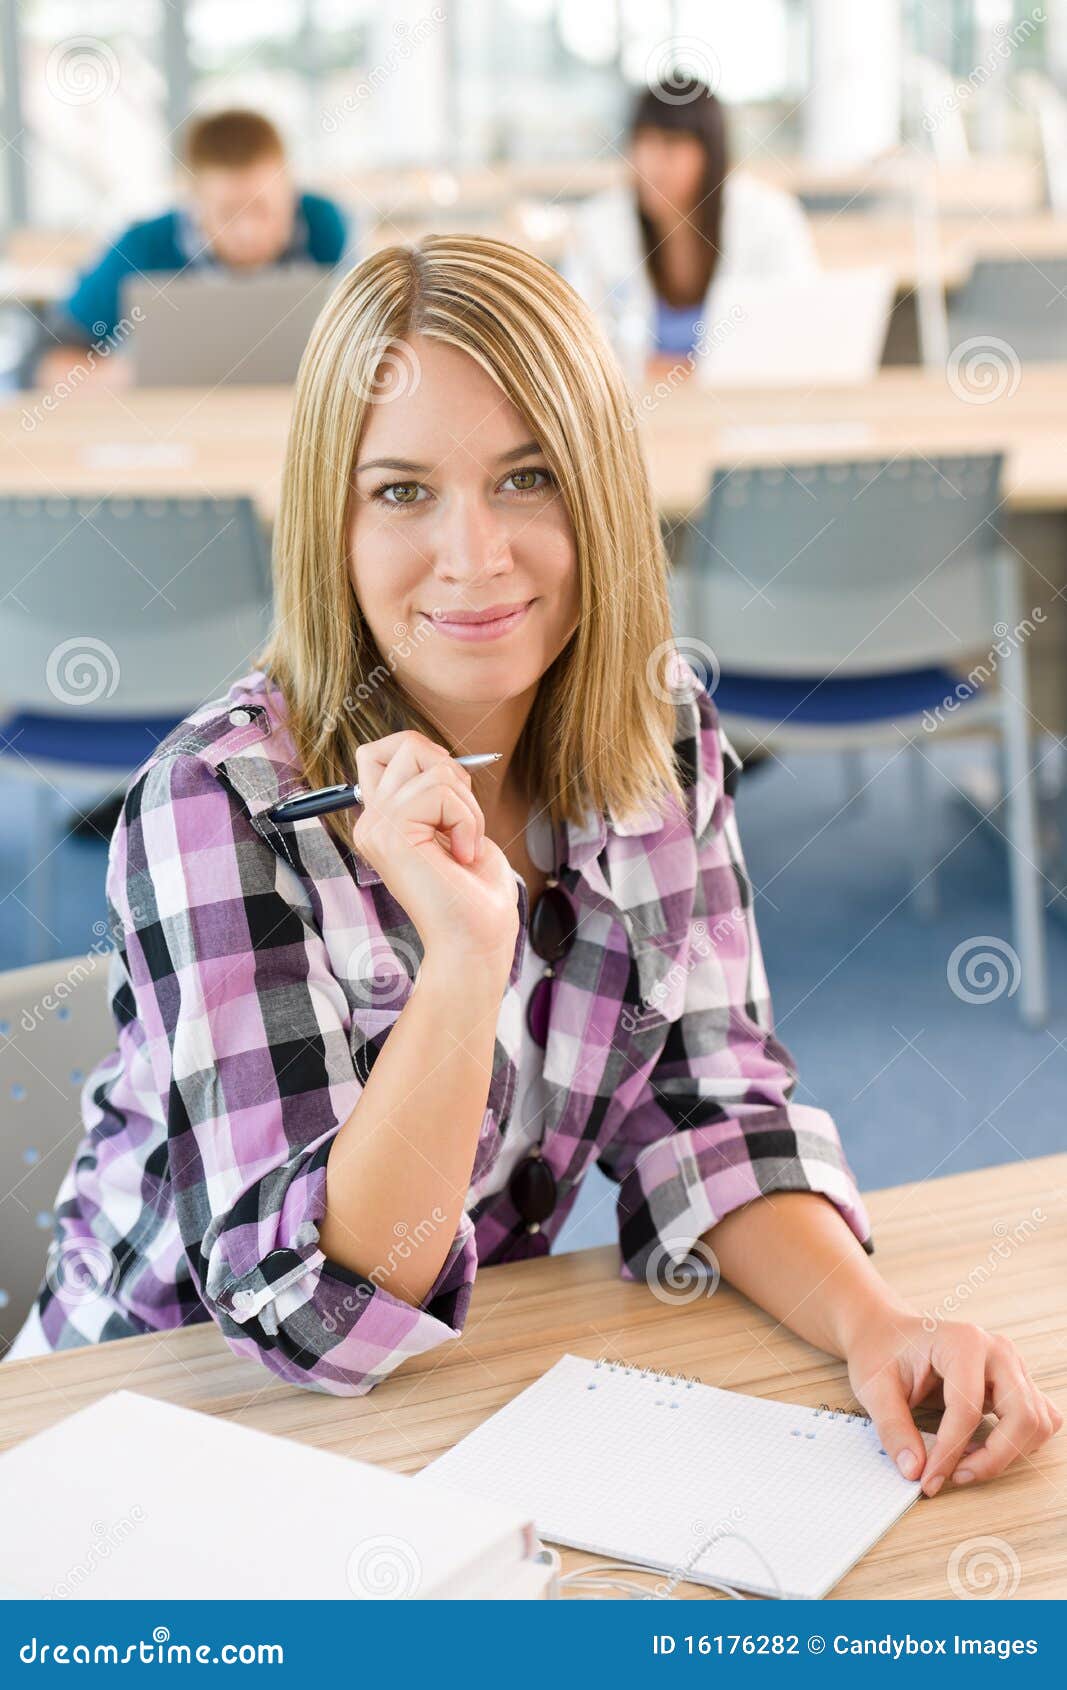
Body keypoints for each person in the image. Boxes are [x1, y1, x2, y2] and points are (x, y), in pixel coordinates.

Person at [8, 236, 1059, 1499]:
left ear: (599, 493)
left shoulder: (657, 734)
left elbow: (707, 1114)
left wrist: (871, 1322)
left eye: (526, 478)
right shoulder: (223, 801)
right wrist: (465, 956)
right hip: (143, 1417)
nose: (474, 555)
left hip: (434, 1395)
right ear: (329, 518)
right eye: (400, 491)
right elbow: (317, 1314)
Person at [34, 107, 352, 390]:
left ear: (290, 190)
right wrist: (138, 375)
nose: (248, 232)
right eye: (227, 213)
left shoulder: (326, 226)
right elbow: (46, 367)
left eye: (263, 209)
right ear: (195, 204)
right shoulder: (142, 247)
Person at [561, 78, 817, 373]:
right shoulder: (598, 226)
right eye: (643, 144)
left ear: (710, 155)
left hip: (744, 407)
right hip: (636, 410)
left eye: (671, 146)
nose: (651, 165)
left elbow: (797, 331)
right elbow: (575, 346)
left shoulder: (770, 219)